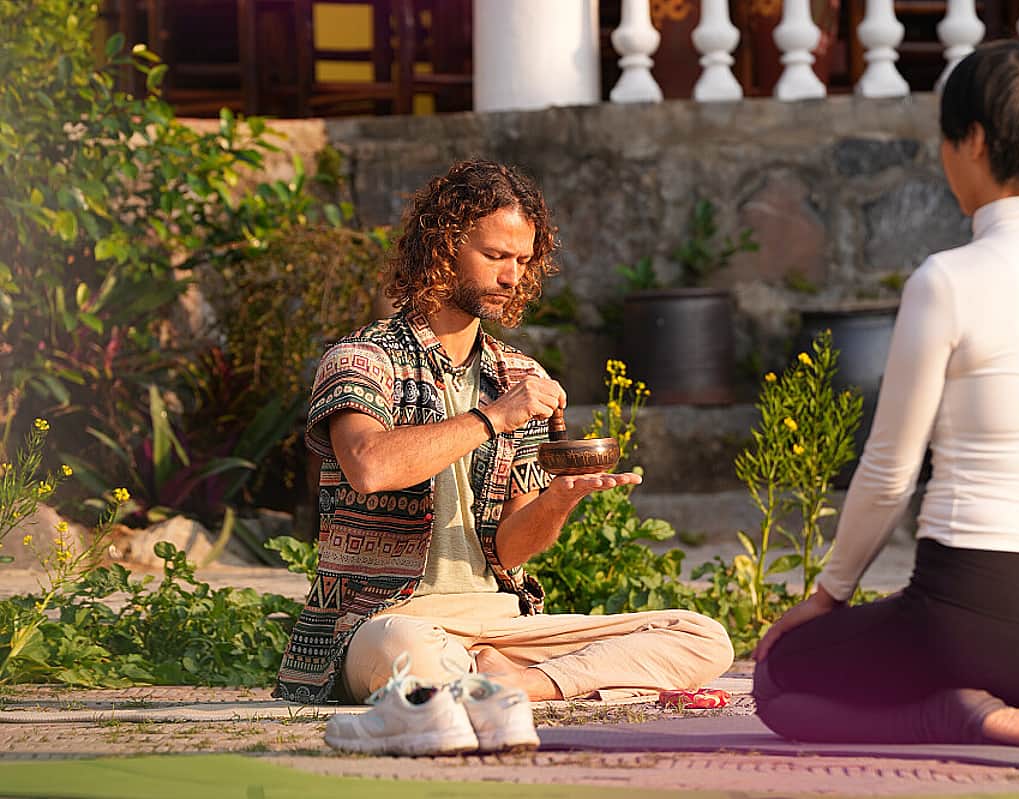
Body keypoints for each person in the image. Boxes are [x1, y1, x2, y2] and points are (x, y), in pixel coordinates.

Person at [753, 41, 1019, 750]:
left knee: (778, 679)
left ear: (975, 140)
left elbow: (890, 472)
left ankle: (955, 712)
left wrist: (827, 595)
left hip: (974, 622)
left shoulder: (948, 279)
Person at [275, 159, 733, 710]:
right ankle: (500, 682)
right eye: (494, 256)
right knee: (407, 651)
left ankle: (513, 684)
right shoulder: (361, 359)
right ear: (442, 247)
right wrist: (493, 417)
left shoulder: (517, 375)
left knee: (702, 637)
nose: (512, 277)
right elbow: (369, 467)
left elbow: (510, 550)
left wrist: (559, 502)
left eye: (521, 260)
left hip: (504, 626)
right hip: (387, 620)